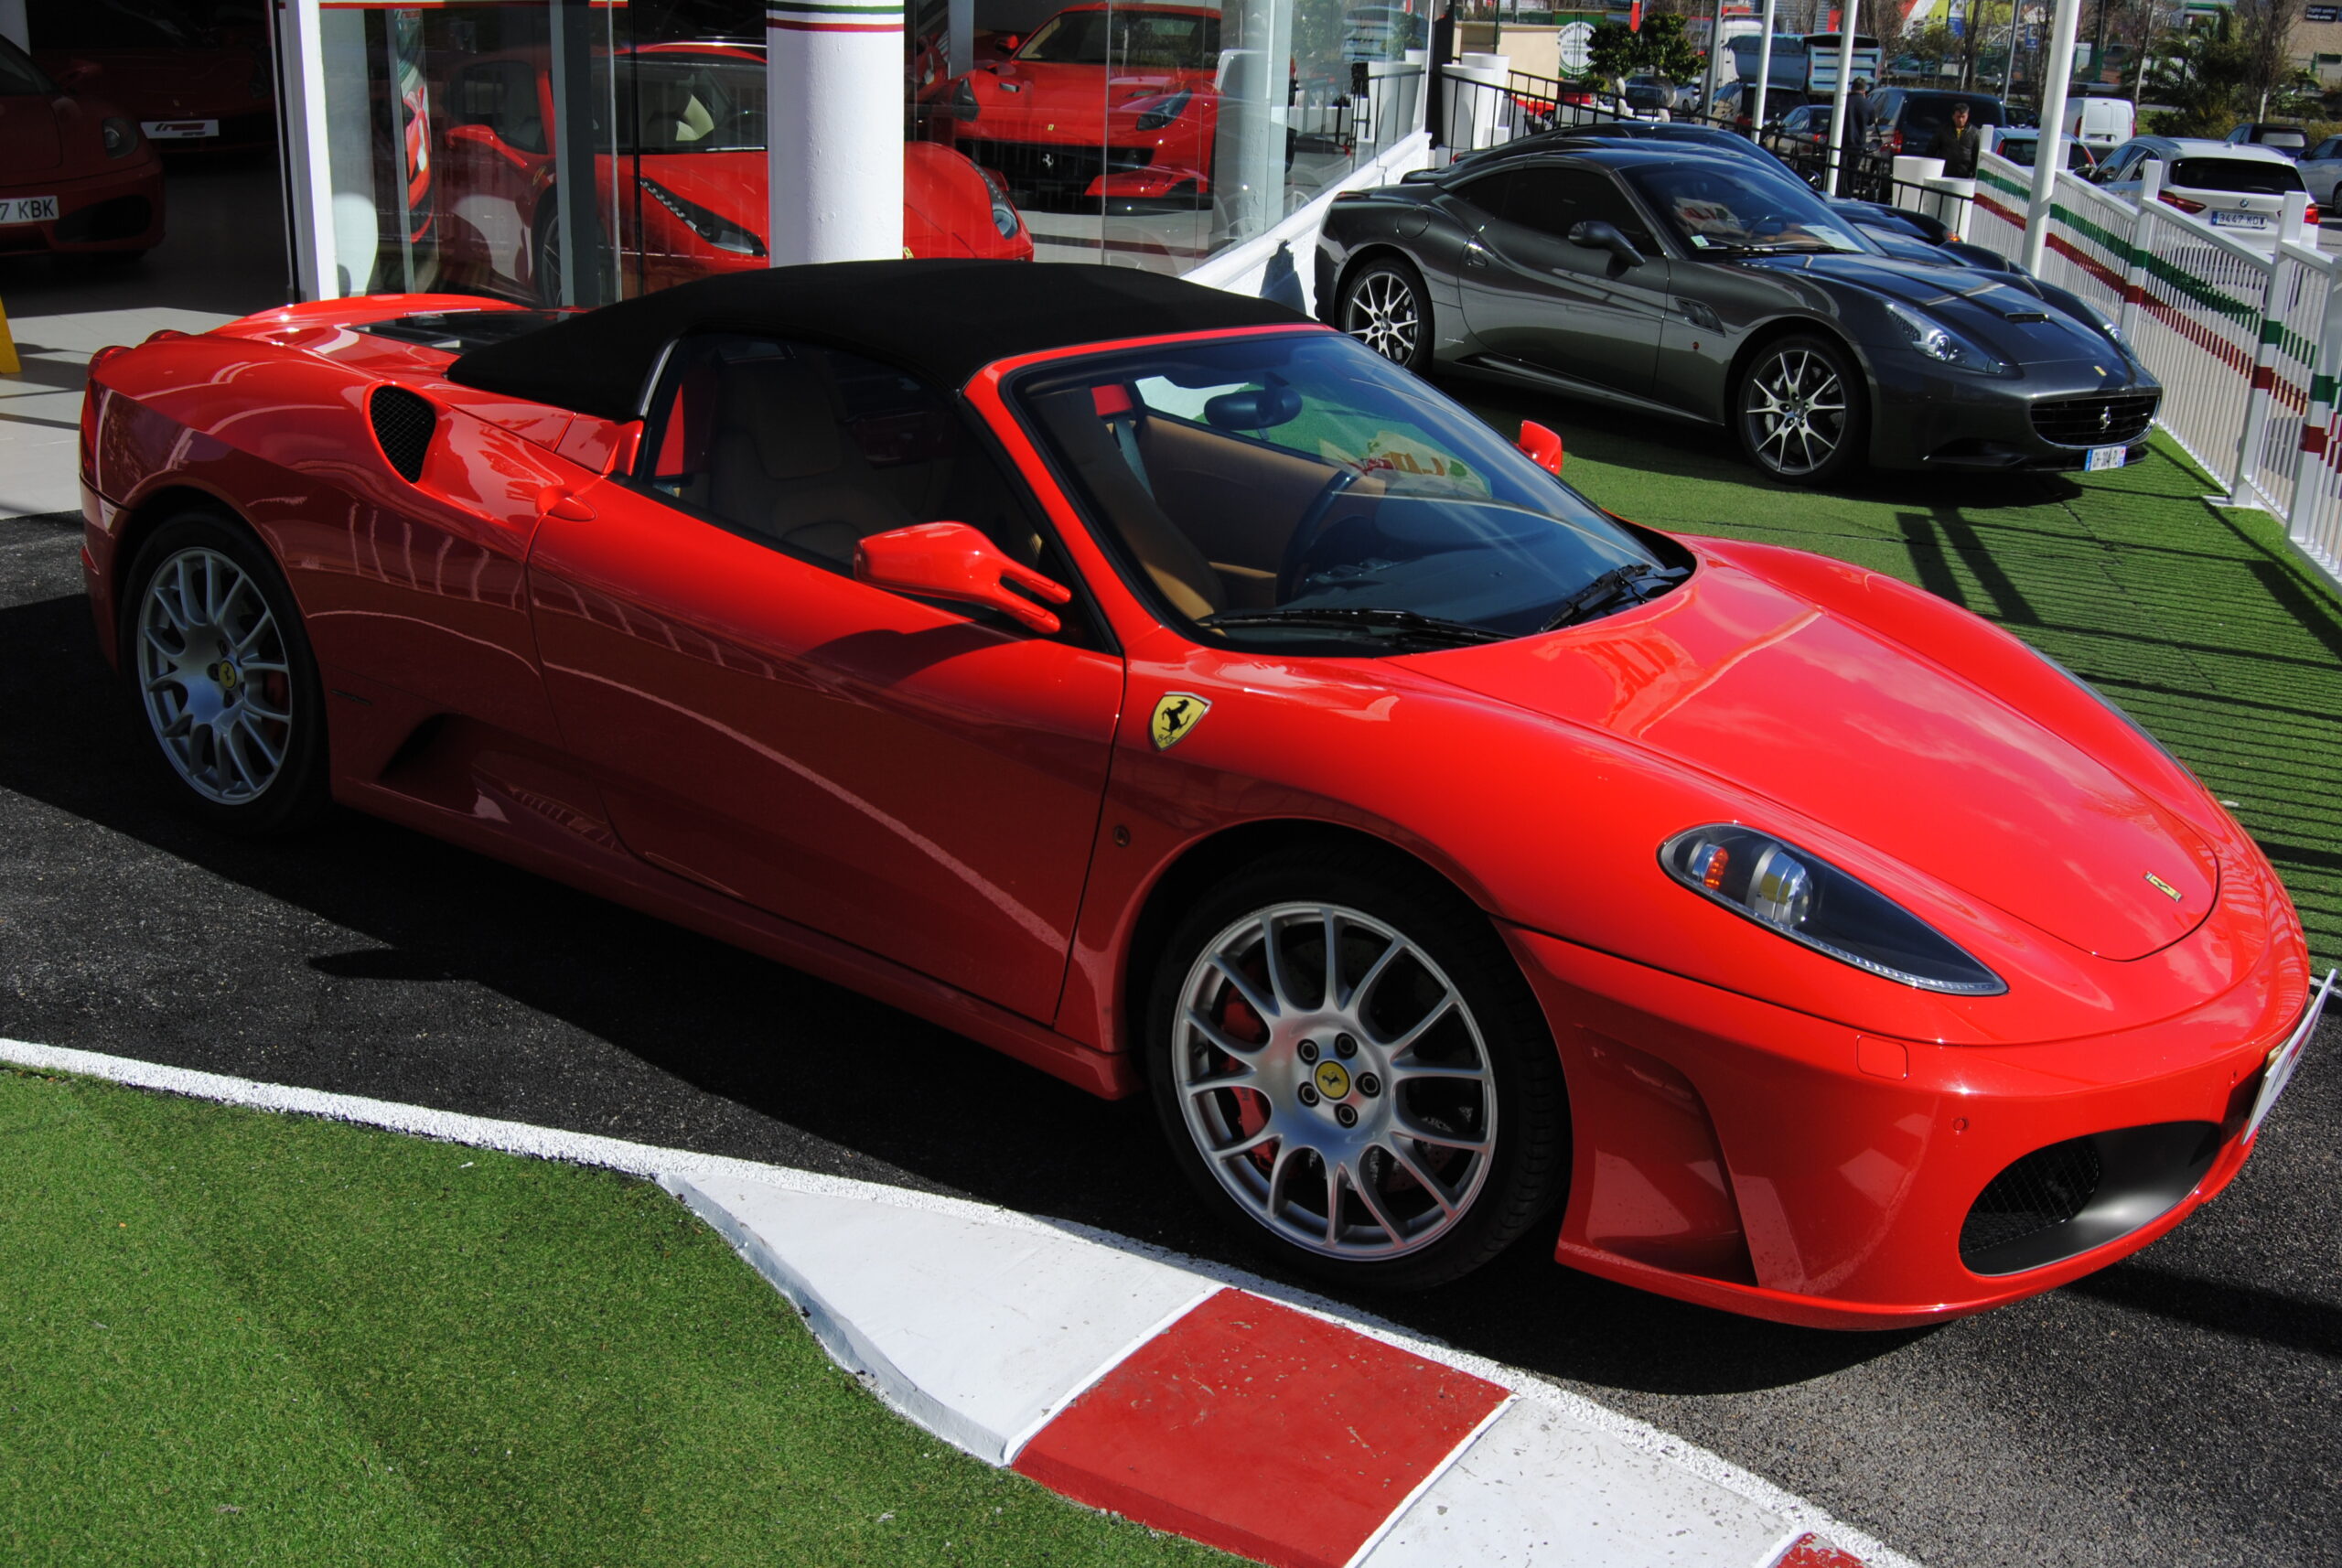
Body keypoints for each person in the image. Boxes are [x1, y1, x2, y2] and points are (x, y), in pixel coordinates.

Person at [1928, 100, 1982, 178]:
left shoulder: (1974, 132)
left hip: (1965, 174)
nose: (1960, 120)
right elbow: (1932, 150)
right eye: (1958, 117)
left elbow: (1977, 154)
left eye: (1963, 117)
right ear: (1953, 116)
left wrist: (1973, 172)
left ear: (1967, 116)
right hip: (1945, 173)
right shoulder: (1944, 130)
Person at [1837, 80, 1874, 192]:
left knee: (1840, 172)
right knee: (1852, 173)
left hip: (1842, 143)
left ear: (1852, 88)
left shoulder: (1843, 102)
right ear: (1864, 90)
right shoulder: (1868, 104)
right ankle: (1848, 195)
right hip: (1858, 144)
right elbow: (1871, 122)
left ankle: (1838, 193)